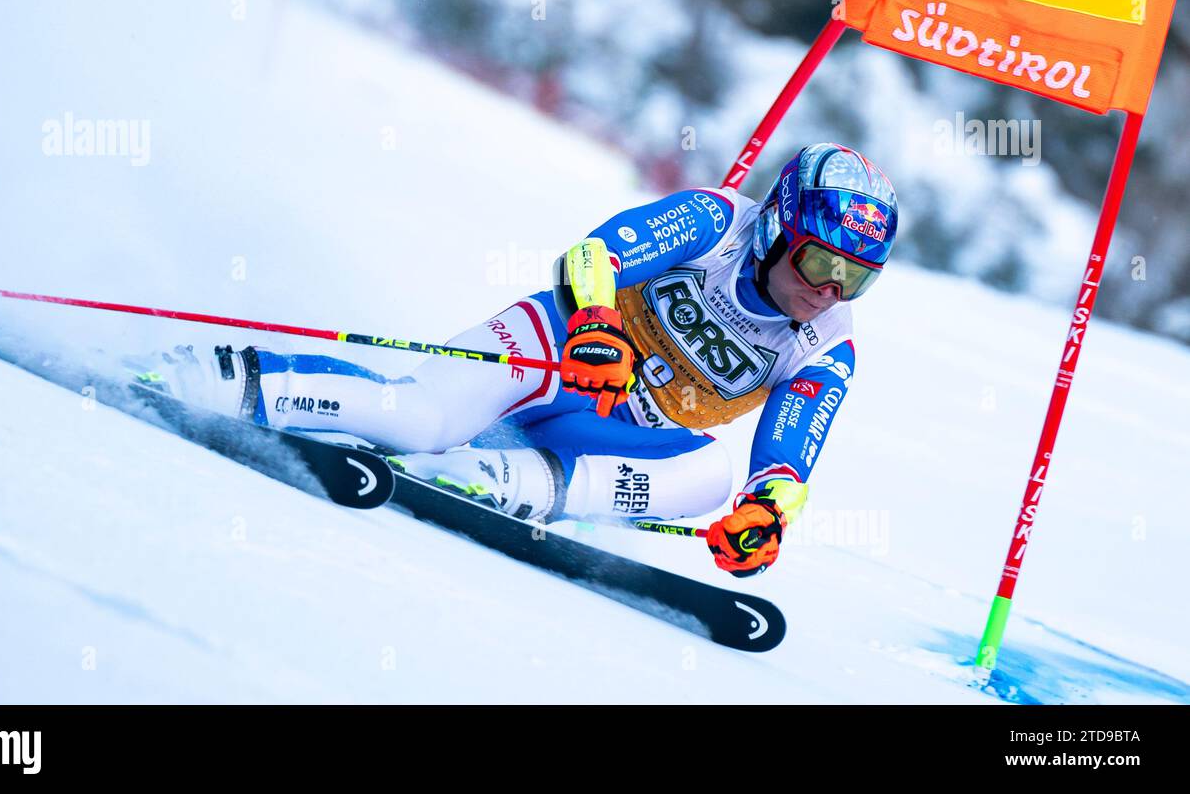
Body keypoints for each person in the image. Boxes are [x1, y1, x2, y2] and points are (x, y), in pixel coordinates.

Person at [161, 143, 897, 577]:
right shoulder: (714, 221)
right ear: (777, 228)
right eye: (818, 262)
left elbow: (787, 461)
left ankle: (505, 483)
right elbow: (591, 254)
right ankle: (234, 378)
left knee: (713, 474)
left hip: (613, 431)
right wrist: (599, 327)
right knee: (420, 417)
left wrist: (765, 516)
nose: (830, 289)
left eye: (855, 277)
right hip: (558, 354)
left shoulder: (828, 343)